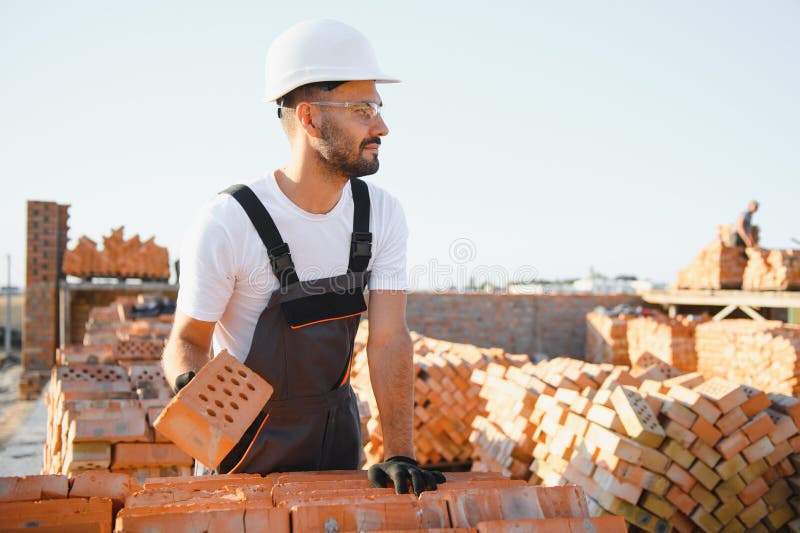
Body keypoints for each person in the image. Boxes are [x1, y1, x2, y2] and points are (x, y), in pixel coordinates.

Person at [160, 19, 444, 496]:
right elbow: (186, 340)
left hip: (337, 445)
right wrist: (191, 383)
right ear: (309, 119)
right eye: (362, 109)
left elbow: (390, 338)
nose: (382, 126)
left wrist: (399, 451)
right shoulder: (230, 222)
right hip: (244, 461)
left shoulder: (380, 214)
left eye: (377, 107)